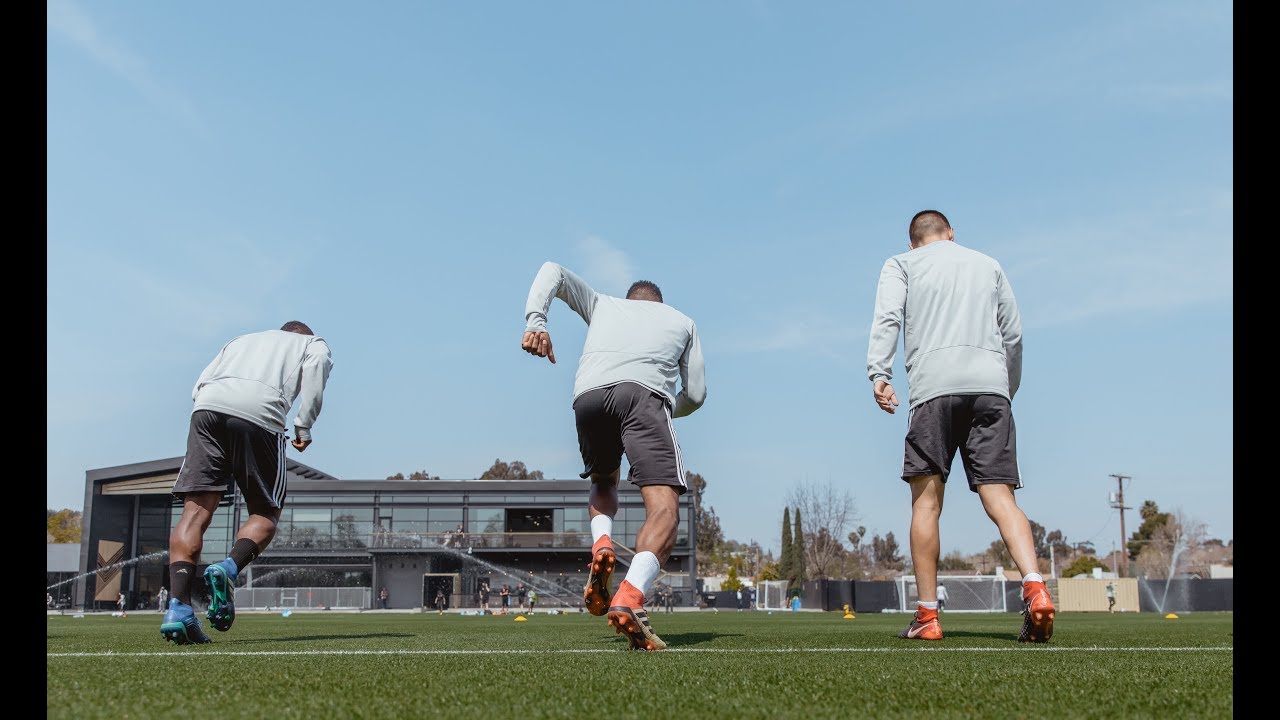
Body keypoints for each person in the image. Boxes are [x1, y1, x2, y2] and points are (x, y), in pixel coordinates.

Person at [867, 210, 1053, 644]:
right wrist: (1007, 388)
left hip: (934, 389)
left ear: (913, 242)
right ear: (951, 234)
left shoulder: (901, 264)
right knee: (1001, 498)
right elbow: (1014, 334)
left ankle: (928, 617)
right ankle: (1035, 585)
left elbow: (888, 318)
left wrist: (879, 372)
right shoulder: (988, 263)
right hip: (991, 389)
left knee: (926, 505)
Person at [521, 262, 707, 651]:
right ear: (659, 305)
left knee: (604, 481)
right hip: (642, 396)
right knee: (665, 509)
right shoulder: (683, 322)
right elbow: (697, 394)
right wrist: (665, 406)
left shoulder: (603, 305)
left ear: (630, 301)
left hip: (588, 397)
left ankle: (602, 541)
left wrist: (536, 322)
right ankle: (630, 596)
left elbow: (552, 270)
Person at [162, 321, 334, 646]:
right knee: (265, 513)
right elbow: (317, 368)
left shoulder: (241, 339)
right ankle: (228, 568)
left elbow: (201, 382)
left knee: (195, 513)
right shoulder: (312, 343)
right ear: (303, 335)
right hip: (259, 413)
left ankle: (178, 609)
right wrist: (303, 426)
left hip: (206, 408)